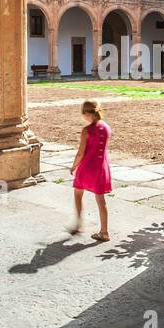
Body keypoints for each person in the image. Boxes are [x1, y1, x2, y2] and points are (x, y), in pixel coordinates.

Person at [69, 100, 112, 241]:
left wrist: (74, 166)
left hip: (87, 168)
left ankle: (79, 224)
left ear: (87, 113)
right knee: (101, 200)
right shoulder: (106, 127)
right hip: (101, 168)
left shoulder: (86, 130)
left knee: (77, 193)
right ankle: (104, 232)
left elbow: (81, 153)